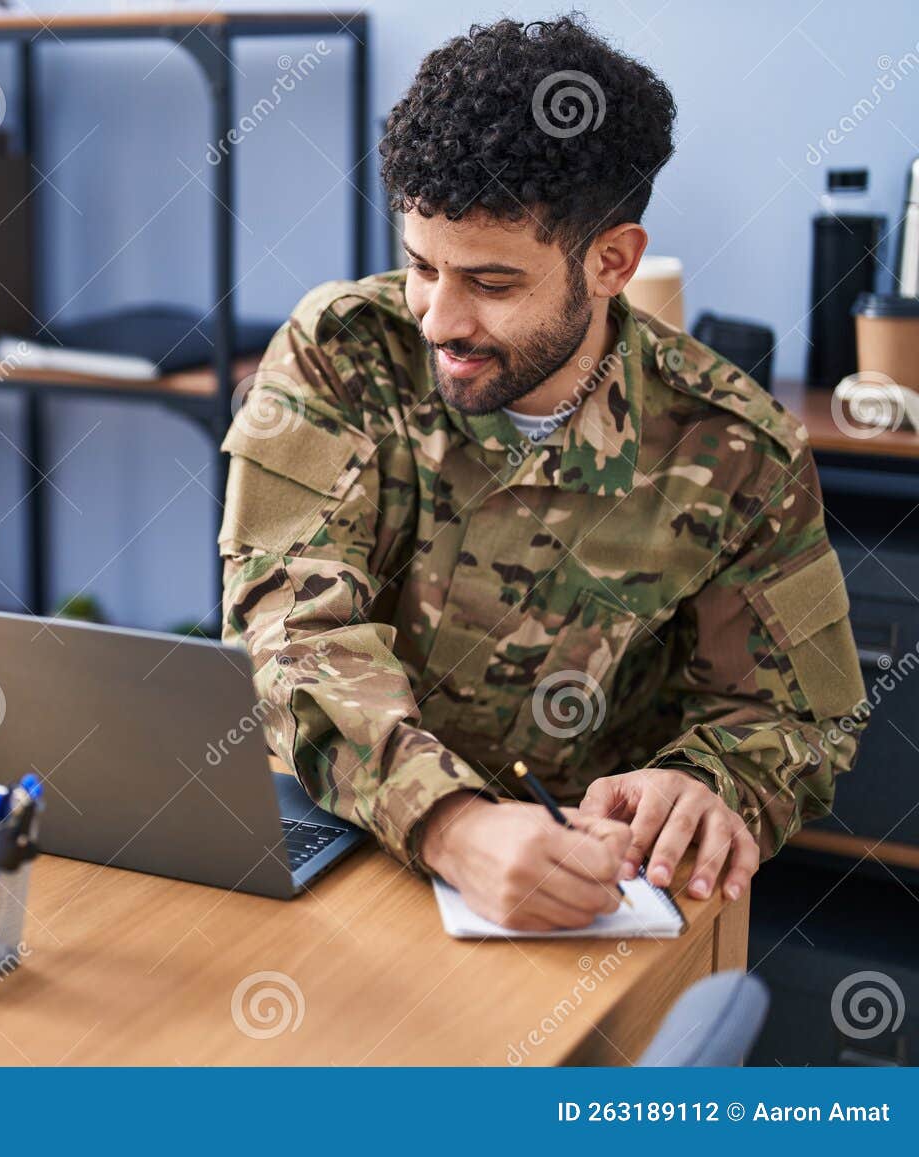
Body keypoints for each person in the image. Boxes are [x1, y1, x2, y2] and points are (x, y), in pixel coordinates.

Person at [218, 15, 865, 931]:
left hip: (585, 893)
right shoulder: (343, 354)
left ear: (611, 262)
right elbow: (286, 627)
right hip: (351, 855)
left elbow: (797, 715)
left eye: (490, 284)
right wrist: (448, 821)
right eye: (420, 267)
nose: (438, 318)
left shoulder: (737, 448)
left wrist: (704, 785)